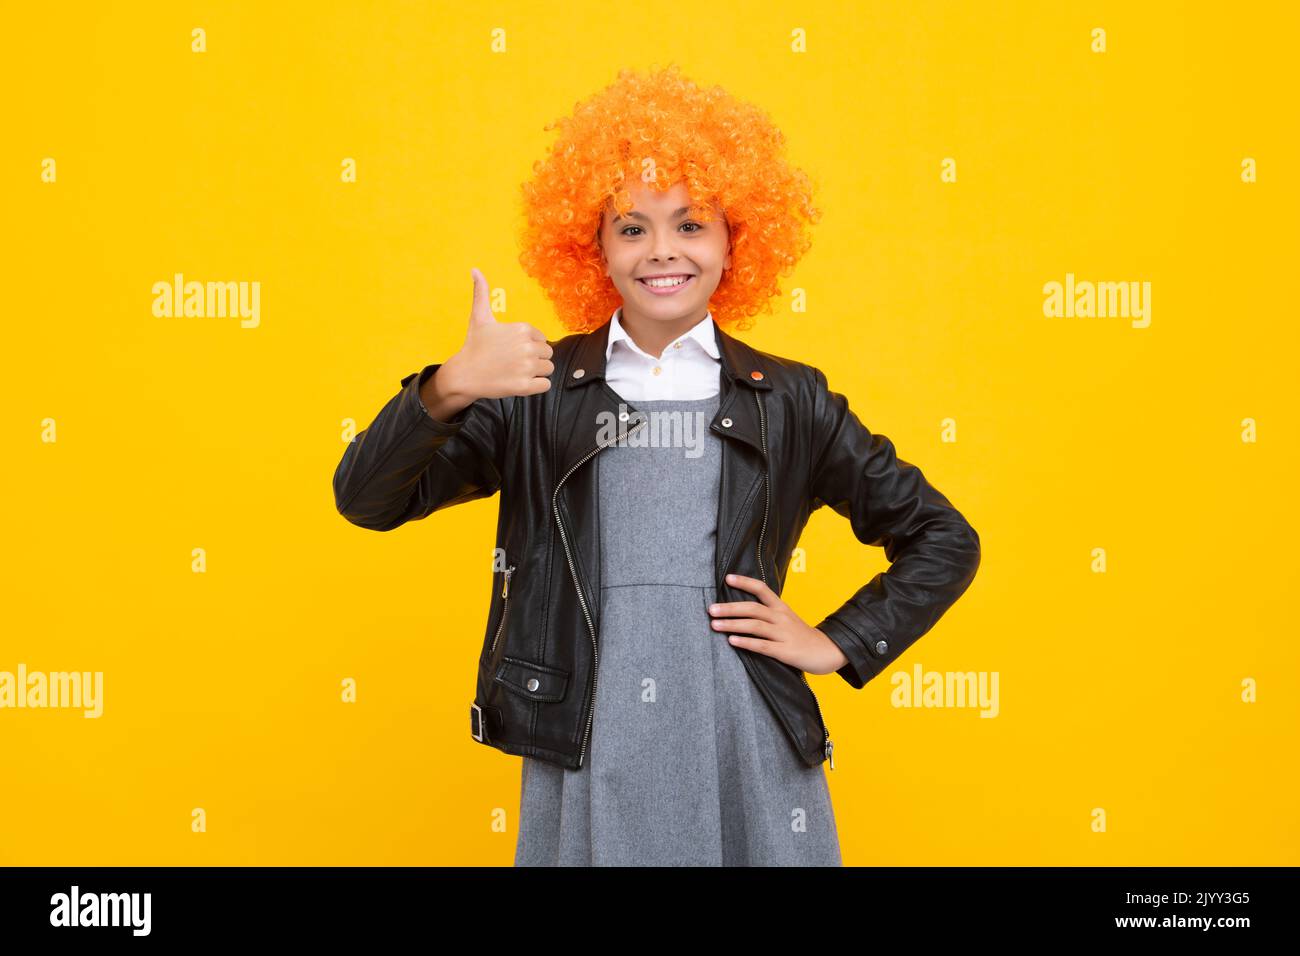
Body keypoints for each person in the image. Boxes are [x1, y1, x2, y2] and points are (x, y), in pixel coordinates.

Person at [333, 64, 981, 866]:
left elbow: (942, 536)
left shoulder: (790, 398)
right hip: (590, 725)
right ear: (592, 245)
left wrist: (840, 641)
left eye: (691, 224)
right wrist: (446, 389)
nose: (662, 252)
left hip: (741, 723)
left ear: (734, 239)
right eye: (632, 228)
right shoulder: (535, 392)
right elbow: (366, 498)